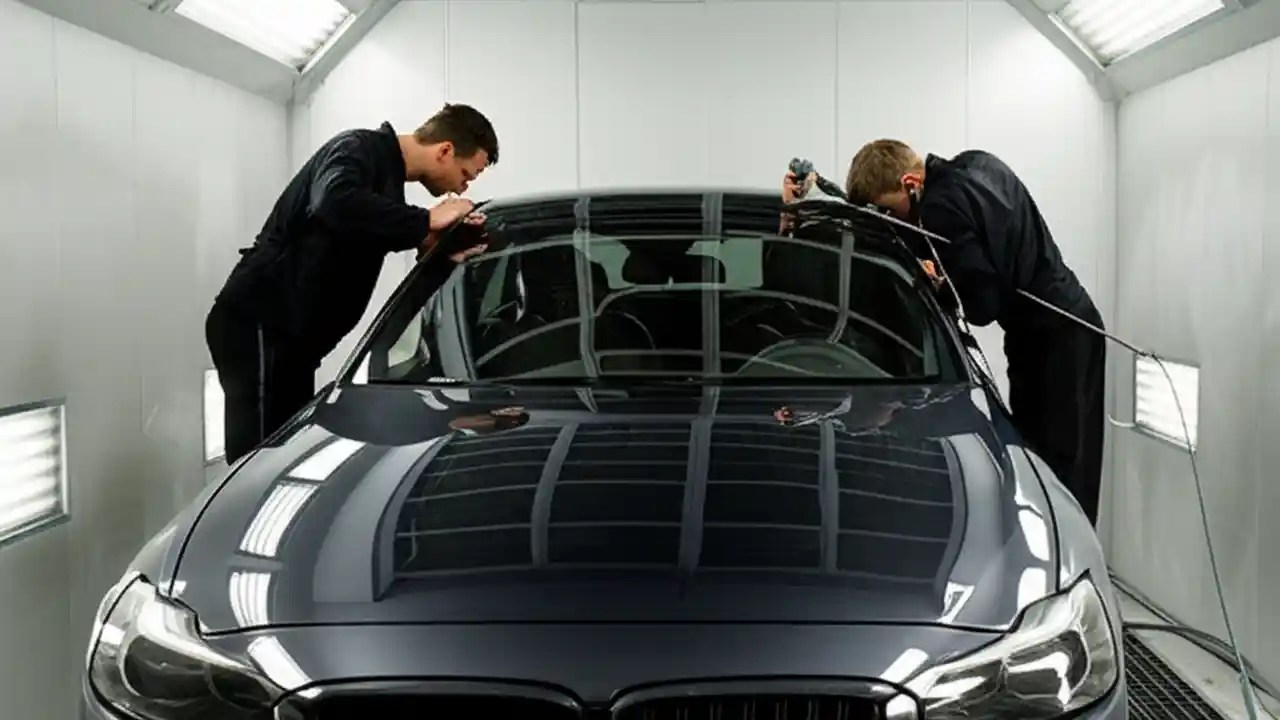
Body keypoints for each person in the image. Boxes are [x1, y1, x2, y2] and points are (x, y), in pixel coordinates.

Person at [788, 140, 1105, 526]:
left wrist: (940, 283)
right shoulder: (977, 164)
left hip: (1050, 341)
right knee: (1069, 470)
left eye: (891, 211)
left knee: (1050, 475)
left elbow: (983, 306)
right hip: (1073, 322)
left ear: (910, 183)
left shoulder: (939, 209)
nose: (896, 221)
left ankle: (1064, 549)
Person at [206, 103, 499, 464]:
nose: (462, 187)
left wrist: (432, 245)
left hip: (289, 343)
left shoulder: (386, 185)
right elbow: (334, 202)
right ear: (445, 151)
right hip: (261, 325)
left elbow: (359, 226)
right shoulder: (358, 148)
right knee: (261, 463)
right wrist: (424, 220)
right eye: (466, 174)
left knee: (282, 456)